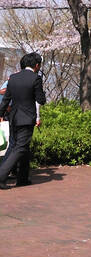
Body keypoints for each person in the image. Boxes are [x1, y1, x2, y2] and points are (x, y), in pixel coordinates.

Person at [0, 52, 46, 189]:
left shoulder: (13, 78)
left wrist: (0, 114)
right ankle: (1, 175)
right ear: (36, 65)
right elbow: (41, 100)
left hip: (13, 117)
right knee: (20, 147)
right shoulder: (36, 79)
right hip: (26, 118)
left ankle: (23, 178)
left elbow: (6, 99)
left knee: (19, 146)